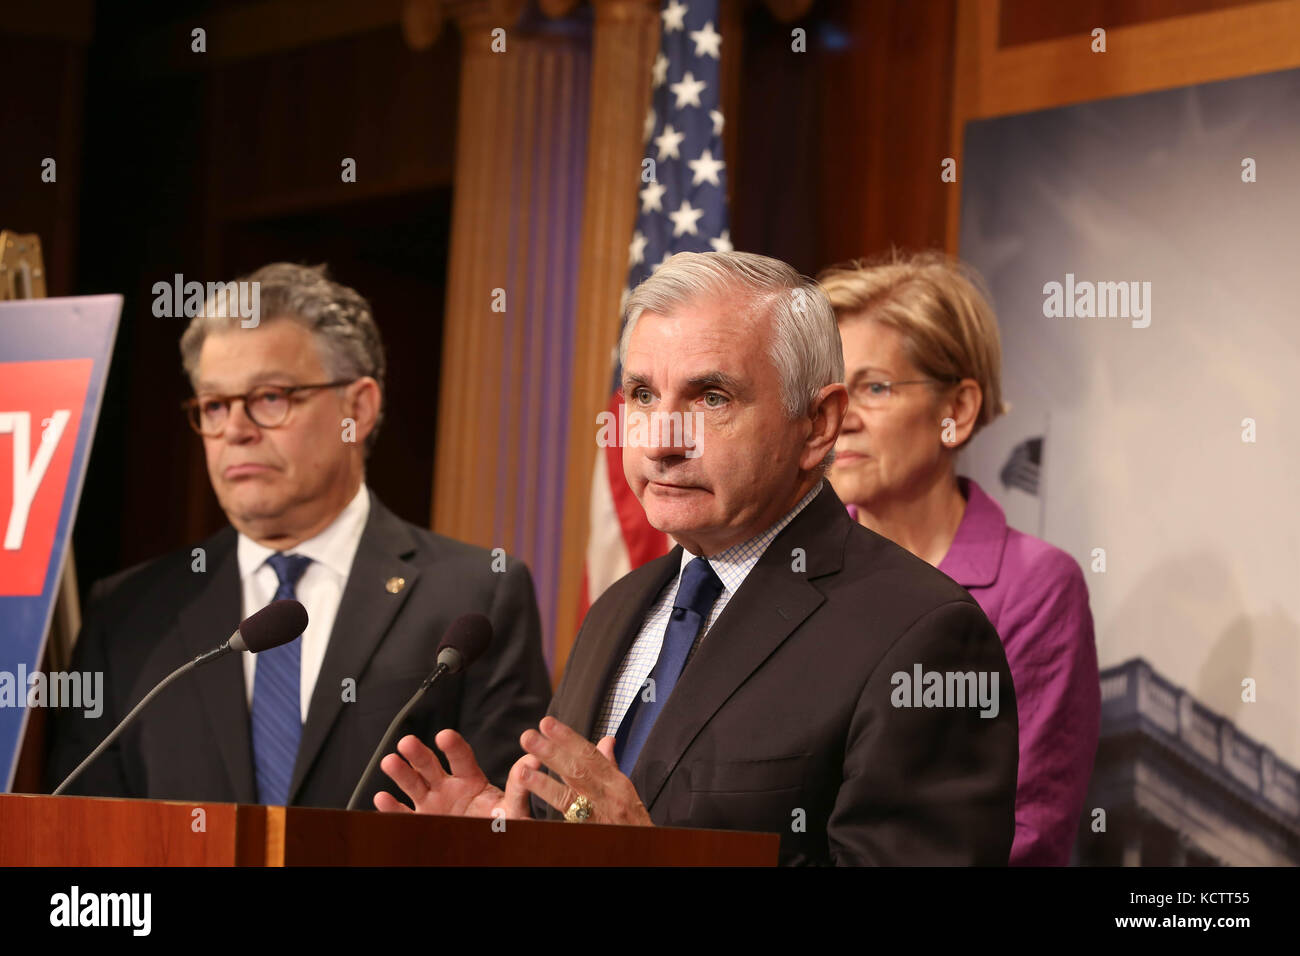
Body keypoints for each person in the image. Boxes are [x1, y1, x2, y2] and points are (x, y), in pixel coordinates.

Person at [373, 251, 1019, 865]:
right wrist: (513, 844)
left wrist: (650, 861)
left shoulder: (922, 633)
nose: (661, 441)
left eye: (711, 398)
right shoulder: (618, 608)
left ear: (818, 424)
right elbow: (585, 834)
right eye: (644, 396)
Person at [45, 262, 551, 809]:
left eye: (269, 397)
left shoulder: (475, 599)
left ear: (357, 408)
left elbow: (510, 817)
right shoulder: (128, 613)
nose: (236, 430)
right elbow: (78, 828)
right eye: (214, 406)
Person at [817, 250, 1100, 865]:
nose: (844, 420)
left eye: (874, 387)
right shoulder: (797, 572)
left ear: (958, 411)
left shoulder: (1037, 588)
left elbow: (1029, 834)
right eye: (833, 393)